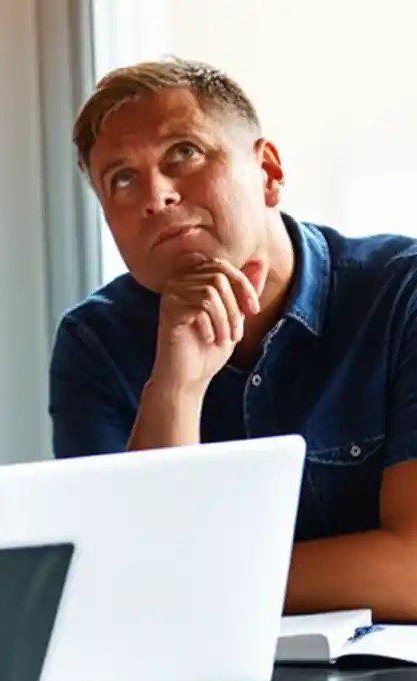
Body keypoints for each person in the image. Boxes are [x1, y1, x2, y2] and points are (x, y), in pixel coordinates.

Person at [51, 57, 417, 621]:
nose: (155, 196)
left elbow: (412, 571)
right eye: (121, 179)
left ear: (268, 172)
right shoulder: (93, 342)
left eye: (183, 153)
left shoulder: (399, 293)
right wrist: (175, 387)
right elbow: (121, 592)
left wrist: (192, 585)